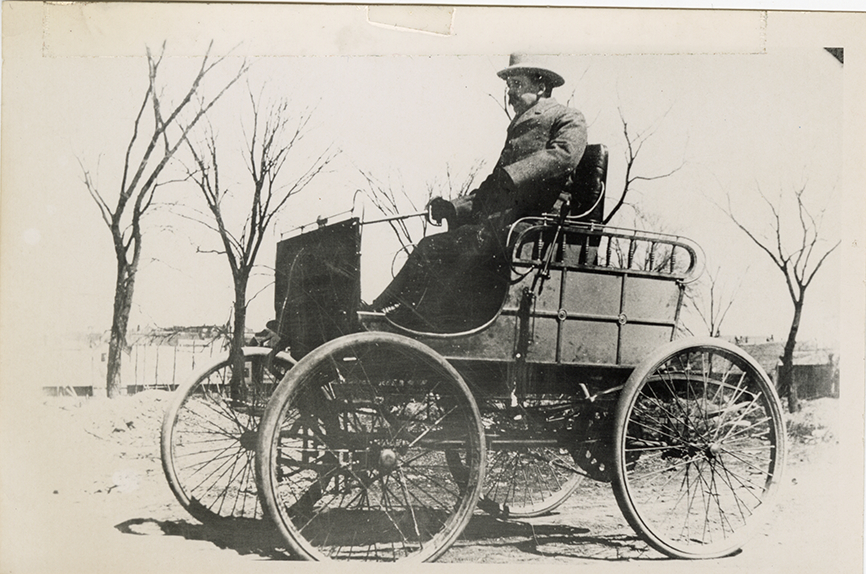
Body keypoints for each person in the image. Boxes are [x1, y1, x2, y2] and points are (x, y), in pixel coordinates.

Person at [370, 54, 588, 332]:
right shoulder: (520, 125)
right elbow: (494, 185)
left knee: (434, 248)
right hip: (504, 223)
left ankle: (394, 314)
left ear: (542, 86)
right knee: (440, 247)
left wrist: (515, 175)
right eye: (509, 85)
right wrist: (453, 207)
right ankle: (398, 313)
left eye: (517, 84)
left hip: (534, 225)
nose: (510, 92)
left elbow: (565, 155)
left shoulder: (567, 116)